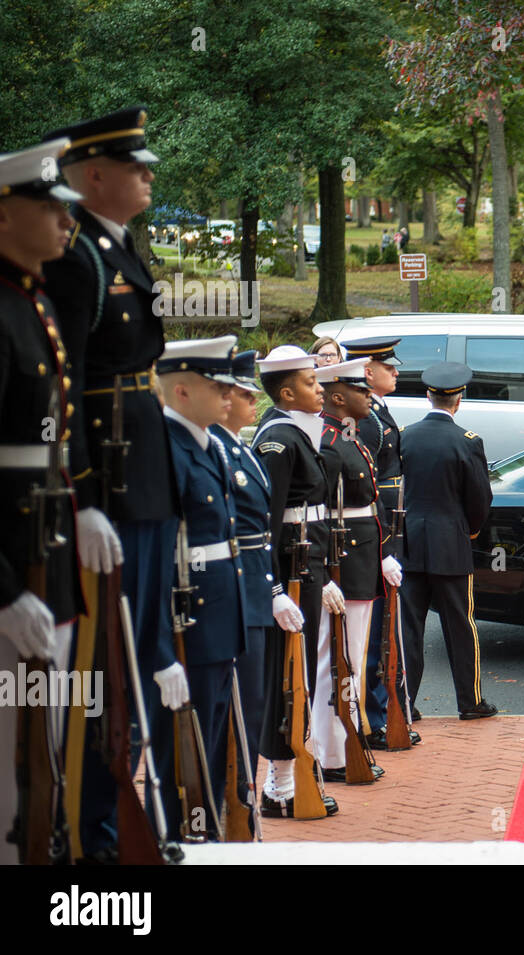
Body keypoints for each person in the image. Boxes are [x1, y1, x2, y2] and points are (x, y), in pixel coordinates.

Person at [41, 107, 178, 863]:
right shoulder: (77, 258)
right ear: (95, 177)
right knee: (102, 672)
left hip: (146, 485)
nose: (148, 176)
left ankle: (128, 821)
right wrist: (83, 497)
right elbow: (61, 388)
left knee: (135, 662)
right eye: (137, 166)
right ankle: (95, 833)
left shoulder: (118, 250)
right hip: (111, 491)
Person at [0, 139, 85, 865]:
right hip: (11, 571)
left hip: (44, 562)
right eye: (49, 208)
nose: (66, 224)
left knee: (40, 756)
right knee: (6, 775)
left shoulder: (32, 302)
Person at [154, 336, 246, 839]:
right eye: (218, 386)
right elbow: (151, 562)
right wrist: (161, 650)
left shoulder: (205, 444)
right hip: (185, 622)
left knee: (209, 749)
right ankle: (173, 843)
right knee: (178, 758)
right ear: (183, 390)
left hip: (214, 624)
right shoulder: (165, 450)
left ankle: (202, 840)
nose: (229, 395)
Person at [252, 345, 337, 818]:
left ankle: (285, 781)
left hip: (307, 569)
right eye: (310, 382)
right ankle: (277, 784)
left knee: (297, 676)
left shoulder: (296, 434)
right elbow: (262, 522)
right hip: (287, 573)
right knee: (285, 678)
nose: (320, 387)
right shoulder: (277, 442)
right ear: (287, 392)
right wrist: (273, 589)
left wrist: (322, 576)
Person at [313, 357, 402, 782]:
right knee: (335, 661)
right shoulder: (327, 442)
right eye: (358, 389)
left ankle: (347, 744)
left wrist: (383, 551)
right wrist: (325, 575)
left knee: (352, 658)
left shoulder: (349, 437)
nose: (368, 394)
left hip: (361, 559)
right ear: (336, 395)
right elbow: (318, 514)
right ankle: (331, 752)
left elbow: (369, 504)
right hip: (343, 563)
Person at [399, 362, 497, 720]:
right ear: (459, 400)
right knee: (460, 625)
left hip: (410, 543)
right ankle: (470, 702)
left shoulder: (405, 436)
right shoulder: (467, 442)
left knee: (409, 628)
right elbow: (479, 499)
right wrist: (470, 529)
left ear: (428, 396)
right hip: (450, 545)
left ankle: (404, 703)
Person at [210, 349, 274, 809]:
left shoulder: (237, 447)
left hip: (253, 586)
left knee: (251, 701)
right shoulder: (215, 448)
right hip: (236, 589)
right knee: (237, 704)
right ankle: (232, 798)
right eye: (243, 392)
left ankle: (241, 795)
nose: (254, 399)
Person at [345, 336, 417, 740]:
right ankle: (371, 718)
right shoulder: (365, 419)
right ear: (368, 372)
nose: (397, 372)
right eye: (389, 368)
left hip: (387, 529)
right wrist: (386, 546)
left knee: (385, 625)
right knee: (374, 630)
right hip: (375, 533)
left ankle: (385, 712)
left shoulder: (377, 411)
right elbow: (366, 488)